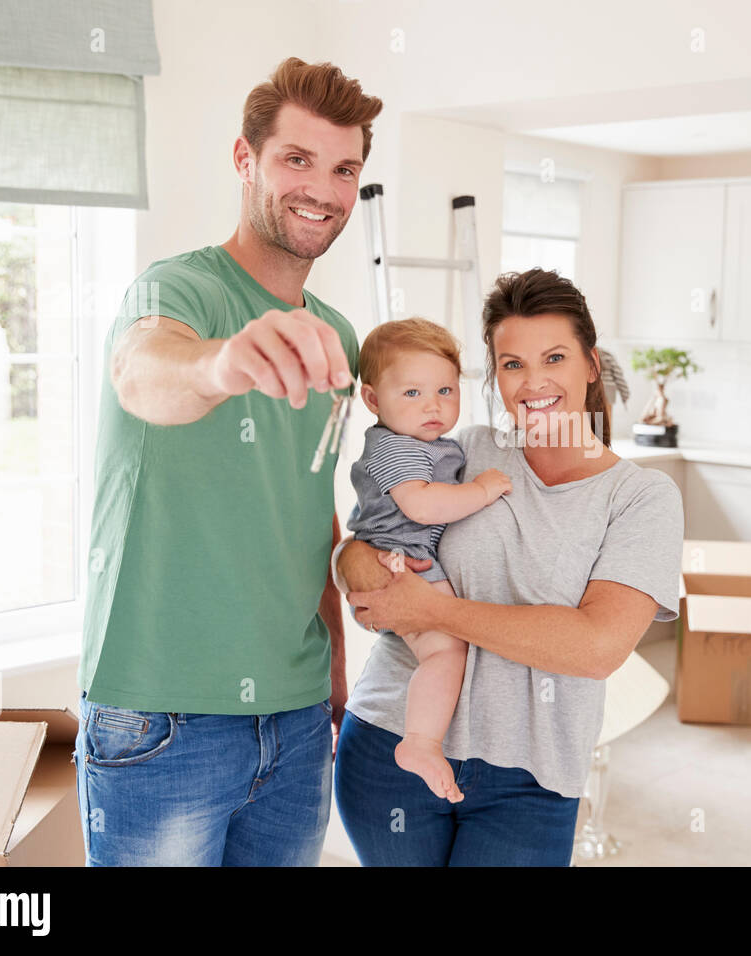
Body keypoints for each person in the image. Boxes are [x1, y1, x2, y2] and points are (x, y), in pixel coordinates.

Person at [74, 57, 380, 866]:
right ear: (245, 160)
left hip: (297, 716)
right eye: (296, 159)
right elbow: (145, 371)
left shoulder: (337, 336)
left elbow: (308, 507)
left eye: (343, 168)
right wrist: (223, 365)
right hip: (161, 721)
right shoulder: (176, 293)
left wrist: (335, 668)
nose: (322, 188)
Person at [333, 268, 685, 867]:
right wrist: (359, 566)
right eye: (511, 364)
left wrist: (431, 609)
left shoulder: (639, 498)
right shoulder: (463, 449)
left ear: (591, 364)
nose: (533, 382)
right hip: (393, 744)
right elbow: (359, 543)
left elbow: (595, 648)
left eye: (554, 357)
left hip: (531, 777)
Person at [344, 317, 512, 802]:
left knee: (444, 650)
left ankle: (422, 740)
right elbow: (421, 505)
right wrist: (480, 491)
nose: (433, 405)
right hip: (402, 562)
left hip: (409, 558)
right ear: (373, 401)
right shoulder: (397, 447)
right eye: (412, 393)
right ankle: (419, 742)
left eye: (444, 389)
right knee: (446, 652)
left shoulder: (427, 443)